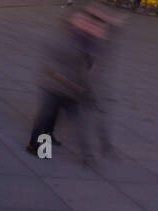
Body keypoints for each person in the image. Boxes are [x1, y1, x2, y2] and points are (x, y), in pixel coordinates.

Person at [26, 8, 114, 163]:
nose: (85, 24)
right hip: (53, 84)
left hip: (69, 88)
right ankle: (36, 146)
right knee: (46, 116)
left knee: (55, 116)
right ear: (71, 21)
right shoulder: (59, 38)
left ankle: (50, 137)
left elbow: (89, 62)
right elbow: (51, 70)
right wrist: (77, 87)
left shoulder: (83, 40)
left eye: (86, 21)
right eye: (81, 20)